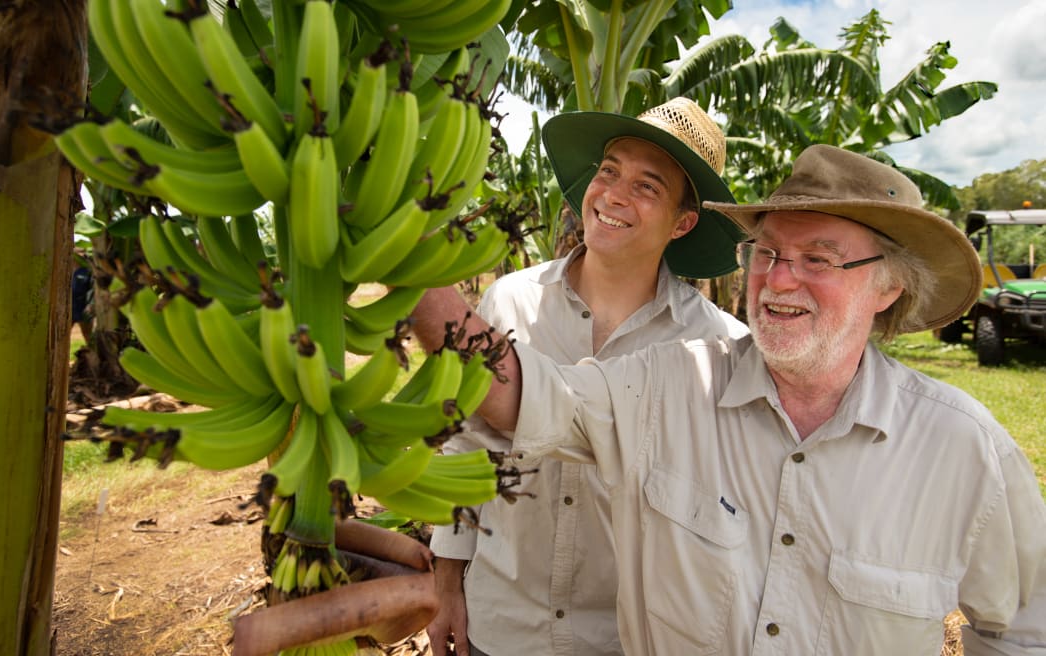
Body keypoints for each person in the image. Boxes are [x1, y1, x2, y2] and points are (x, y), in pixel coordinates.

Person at [412, 144, 1046, 655]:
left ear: (888, 287)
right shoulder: (672, 383)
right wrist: (407, 250)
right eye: (766, 252)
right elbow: (523, 395)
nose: (778, 278)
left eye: (818, 259)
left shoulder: (963, 449)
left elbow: (1024, 628)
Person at [425, 97, 749, 656]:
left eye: (647, 187)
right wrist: (446, 586)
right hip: (502, 624)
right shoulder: (511, 302)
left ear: (684, 222)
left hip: (623, 638)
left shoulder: (717, 348)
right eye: (609, 172)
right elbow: (465, 450)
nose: (614, 196)